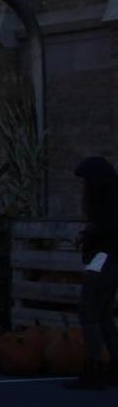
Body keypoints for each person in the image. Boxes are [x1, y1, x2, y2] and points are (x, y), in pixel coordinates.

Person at [73, 156, 118, 390]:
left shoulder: (108, 205)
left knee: (89, 311)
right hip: (108, 258)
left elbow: (106, 229)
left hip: (104, 258)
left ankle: (93, 367)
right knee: (103, 314)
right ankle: (113, 366)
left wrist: (90, 233)